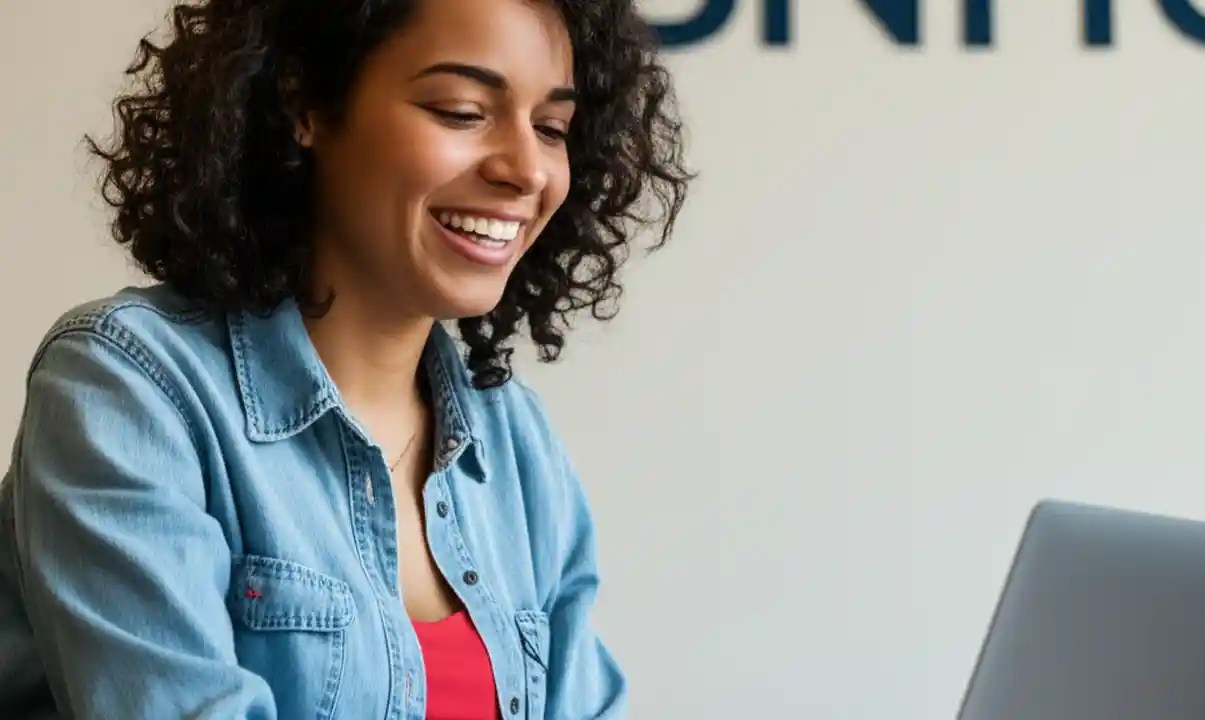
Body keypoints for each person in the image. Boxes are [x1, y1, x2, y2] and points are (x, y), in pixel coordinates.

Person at [0, 0, 689, 716]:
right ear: (307, 105)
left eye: (552, 129)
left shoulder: (516, 444)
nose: (525, 169)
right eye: (461, 110)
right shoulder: (132, 389)